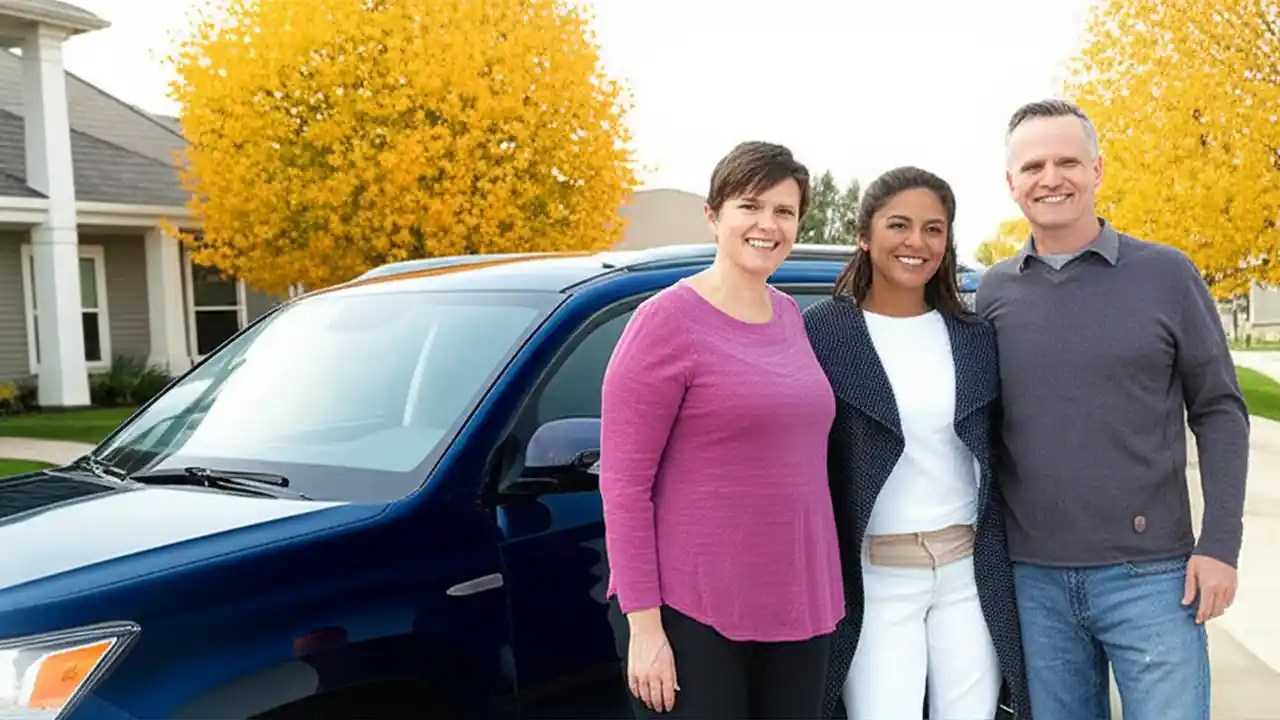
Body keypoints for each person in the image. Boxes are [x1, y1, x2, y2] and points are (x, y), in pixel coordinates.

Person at [977, 99, 1250, 720]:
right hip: (1035, 581)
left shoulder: (1167, 275)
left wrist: (1221, 545)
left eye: (1068, 161)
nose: (1052, 178)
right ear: (1012, 183)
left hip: (1154, 580)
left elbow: (1220, 411)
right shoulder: (995, 291)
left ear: (1097, 170)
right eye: (1035, 165)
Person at [598, 140, 844, 718]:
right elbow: (624, 485)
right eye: (750, 206)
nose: (768, 224)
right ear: (714, 216)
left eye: (784, 212)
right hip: (693, 612)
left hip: (797, 603)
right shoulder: (664, 322)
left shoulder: (790, 316)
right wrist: (646, 629)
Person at [803, 166, 1031, 720]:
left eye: (934, 229)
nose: (917, 242)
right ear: (865, 235)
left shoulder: (973, 335)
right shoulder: (826, 332)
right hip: (876, 578)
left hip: (967, 573)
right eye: (898, 225)